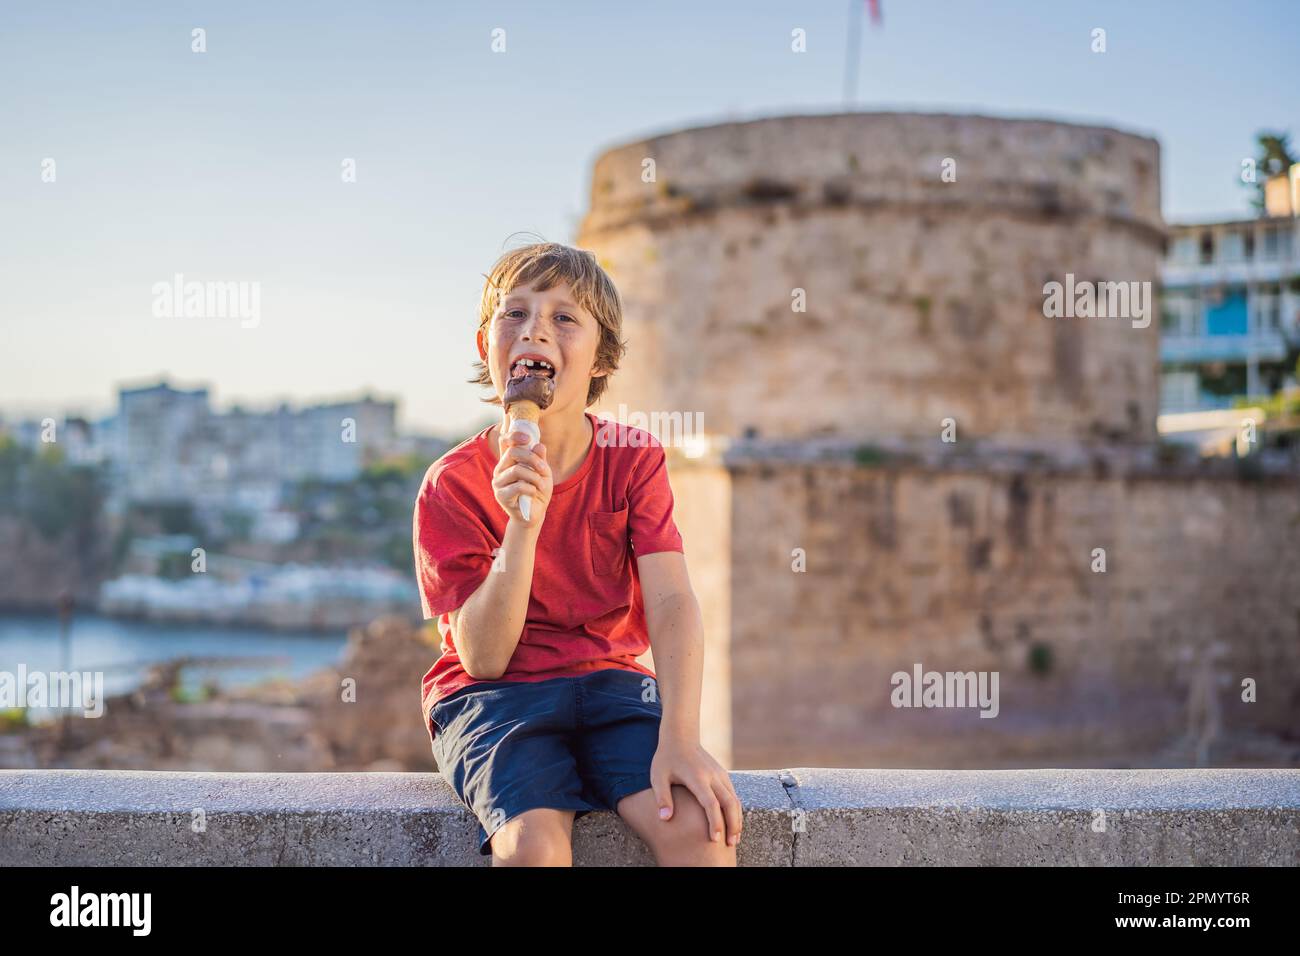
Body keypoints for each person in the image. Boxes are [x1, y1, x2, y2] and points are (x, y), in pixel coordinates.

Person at [413, 241, 741, 866]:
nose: (535, 327)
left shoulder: (633, 457)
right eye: (515, 314)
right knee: (533, 847)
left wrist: (682, 737)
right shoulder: (451, 482)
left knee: (699, 827)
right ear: (487, 346)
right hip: (495, 698)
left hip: (612, 684)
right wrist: (522, 525)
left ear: (600, 358)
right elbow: (483, 657)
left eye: (565, 317)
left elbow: (672, 599)